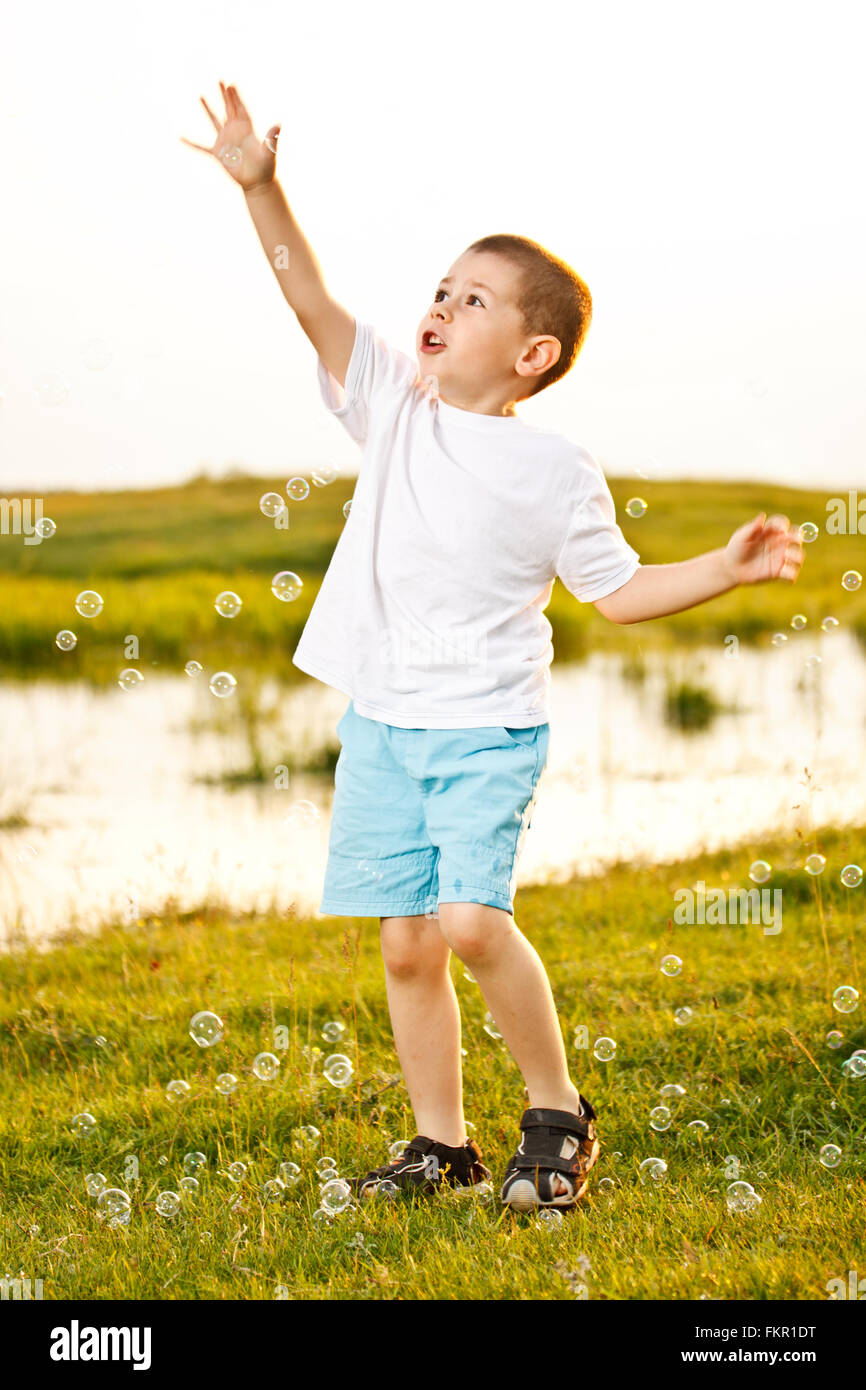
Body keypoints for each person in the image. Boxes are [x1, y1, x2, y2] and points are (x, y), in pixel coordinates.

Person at [182, 83, 805, 1211]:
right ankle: (440, 1144)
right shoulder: (391, 403)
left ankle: (556, 1115)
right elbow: (309, 300)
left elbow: (615, 592)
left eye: (470, 300)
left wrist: (723, 566)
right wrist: (261, 187)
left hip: (485, 726)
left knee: (470, 921)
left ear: (528, 353)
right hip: (382, 721)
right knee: (408, 945)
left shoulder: (554, 468)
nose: (438, 307)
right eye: (439, 289)